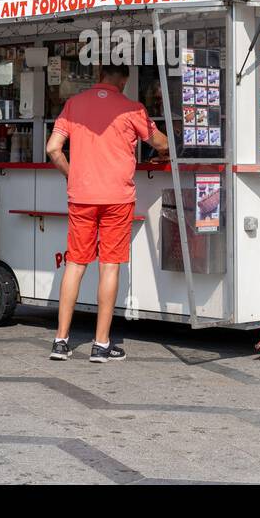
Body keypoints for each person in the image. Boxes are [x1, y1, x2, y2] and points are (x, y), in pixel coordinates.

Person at [45, 64, 169, 363]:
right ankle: (101, 345)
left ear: (99, 73)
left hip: (81, 196)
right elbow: (161, 143)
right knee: (109, 266)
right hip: (117, 197)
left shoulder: (74, 104)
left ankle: (61, 341)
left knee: (75, 263)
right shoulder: (131, 108)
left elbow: (53, 148)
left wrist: (71, 174)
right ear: (124, 79)